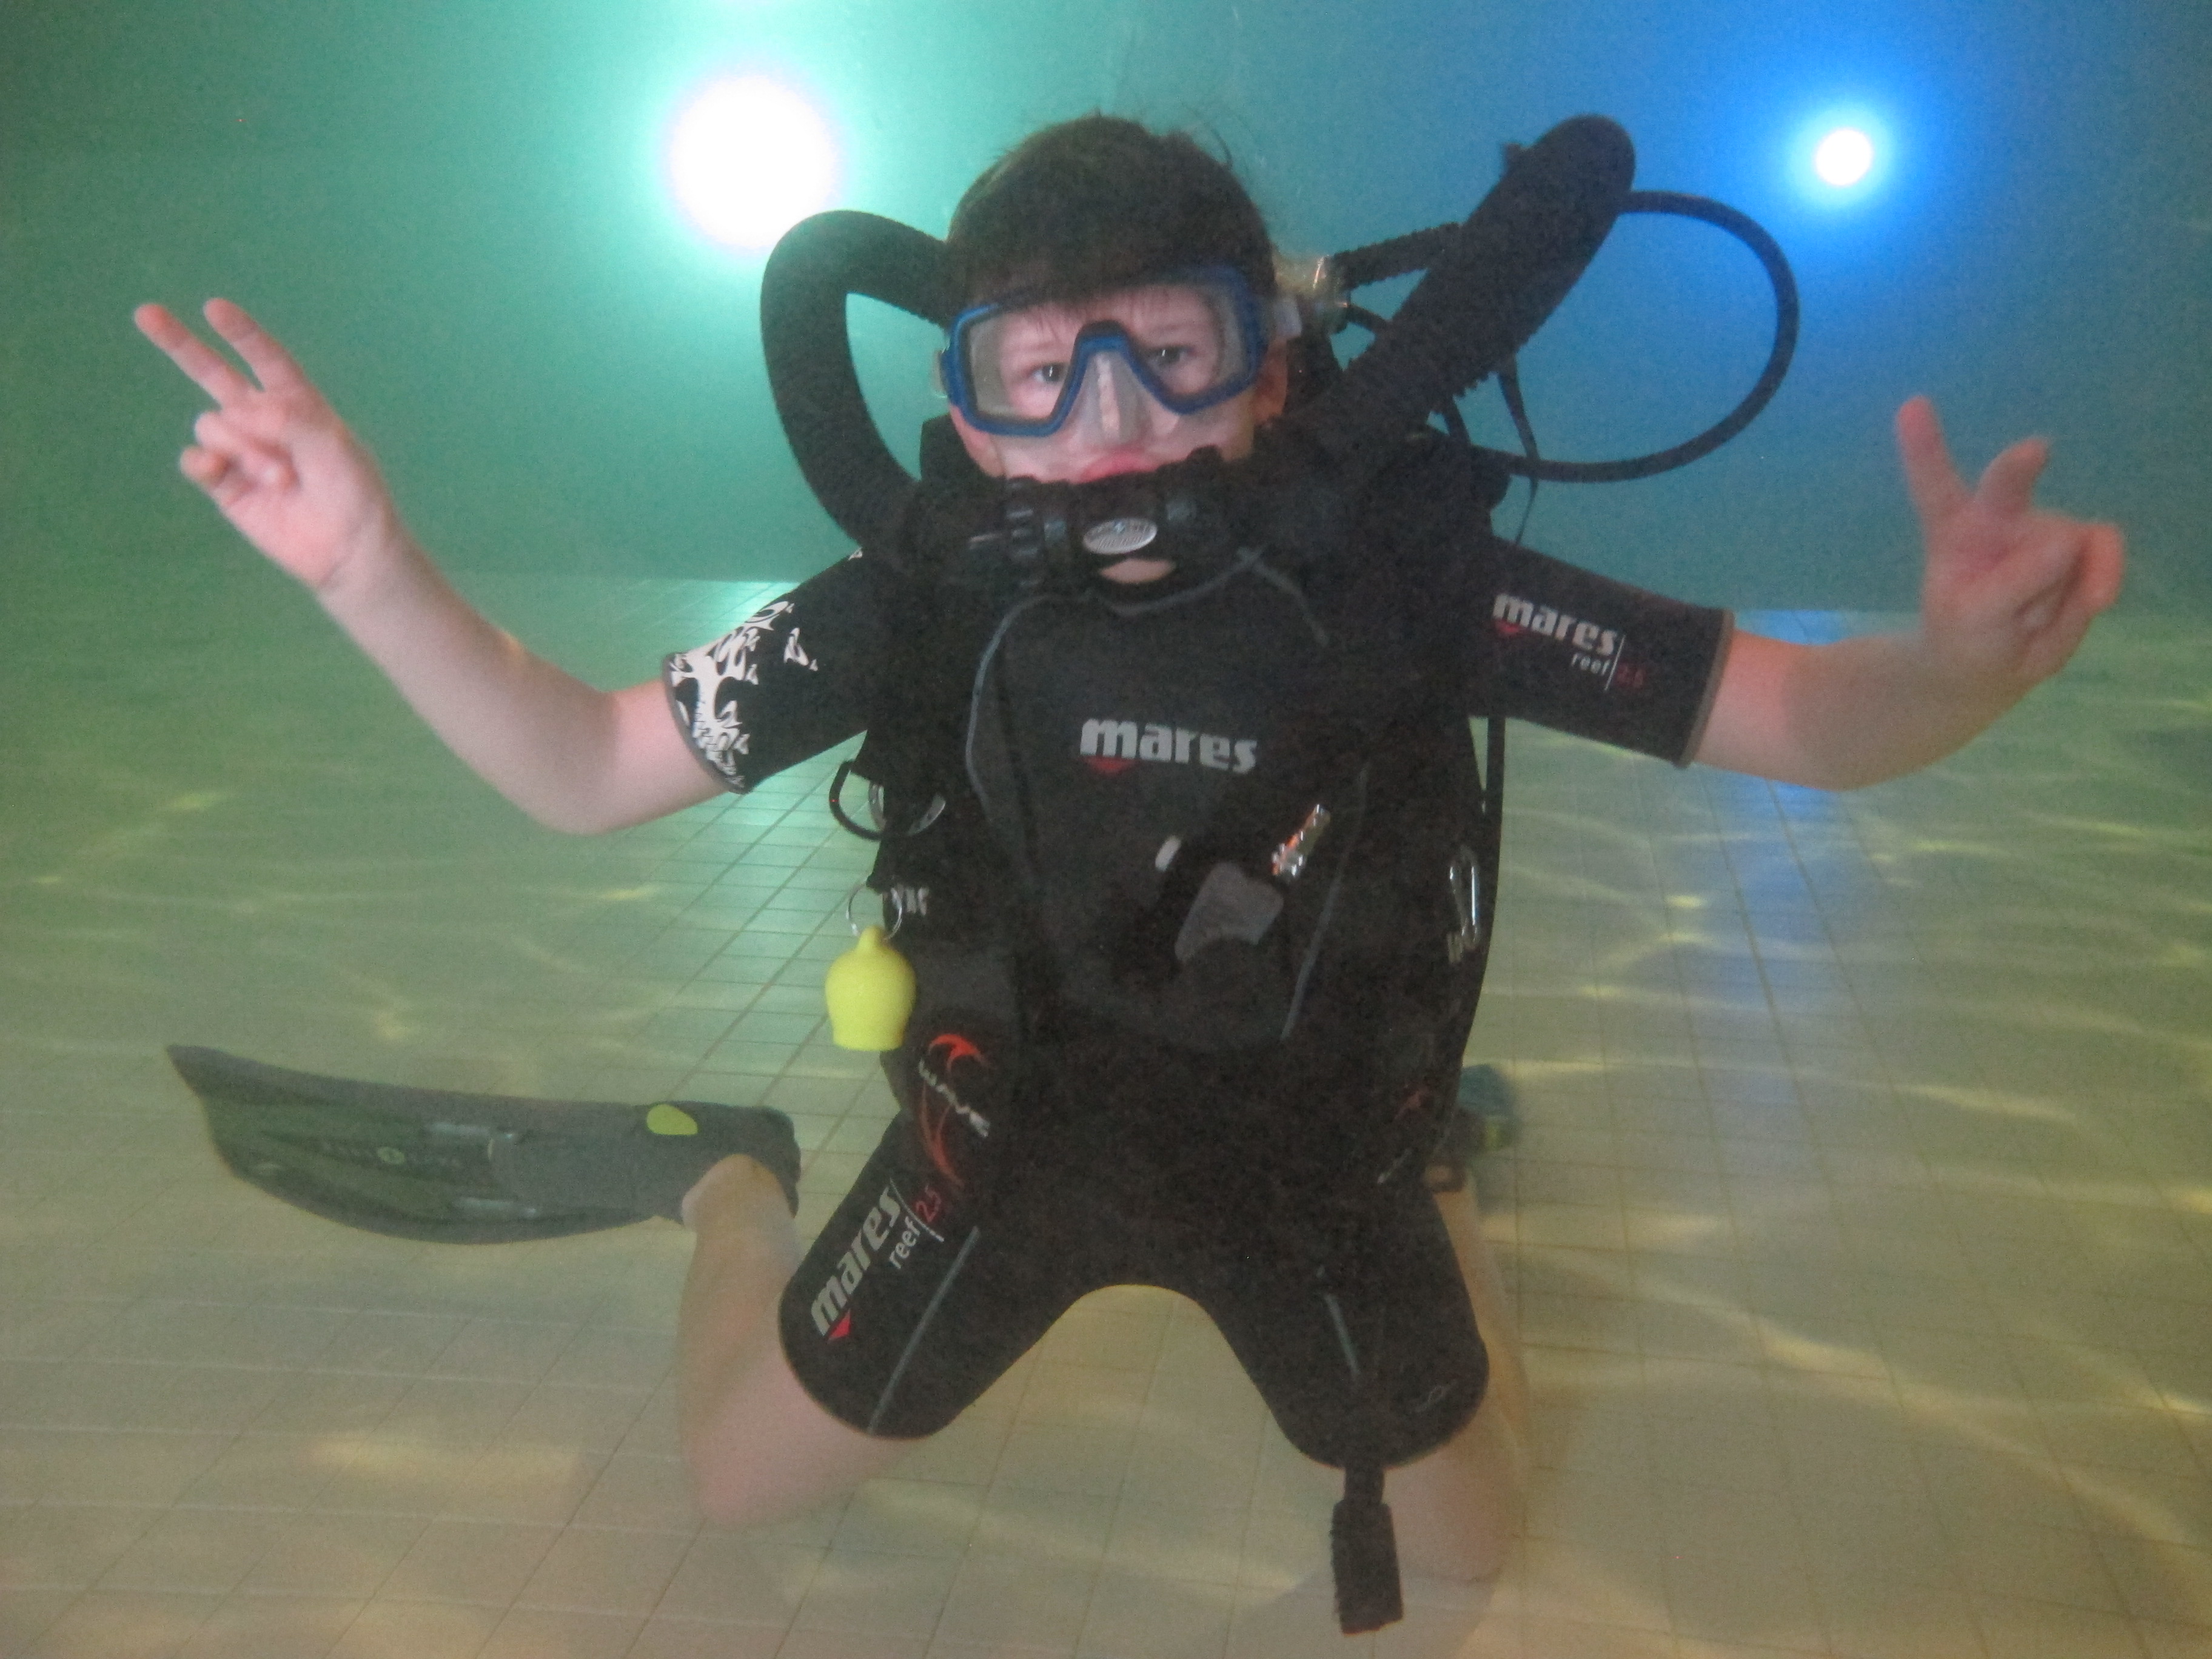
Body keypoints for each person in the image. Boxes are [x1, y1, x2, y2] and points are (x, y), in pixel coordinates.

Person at [135, 114, 2123, 1601]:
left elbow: (1810, 729)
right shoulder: (917, 608)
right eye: (1037, 368)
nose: (1108, 422)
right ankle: (731, 1182)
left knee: (1476, 1554)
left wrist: (1949, 669)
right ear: (970, 409)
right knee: (733, 1489)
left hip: (1320, 1178)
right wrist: (370, 570)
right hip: (993, 1168)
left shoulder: (1401, 583)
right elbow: (581, 769)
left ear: (1276, 366)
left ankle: (1444, 1176)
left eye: (1172, 347)